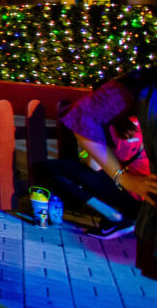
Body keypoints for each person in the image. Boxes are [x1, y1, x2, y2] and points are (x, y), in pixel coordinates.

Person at [57, 67, 157, 273]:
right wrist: (124, 177)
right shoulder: (143, 86)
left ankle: (118, 218)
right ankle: (118, 217)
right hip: (146, 203)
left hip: (136, 196)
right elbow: (84, 117)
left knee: (62, 170)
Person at [34, 109, 148, 238]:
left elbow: (95, 166)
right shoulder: (146, 122)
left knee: (54, 168)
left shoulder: (114, 126)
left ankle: (116, 217)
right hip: (148, 201)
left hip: (134, 194)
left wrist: (87, 152)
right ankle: (123, 217)